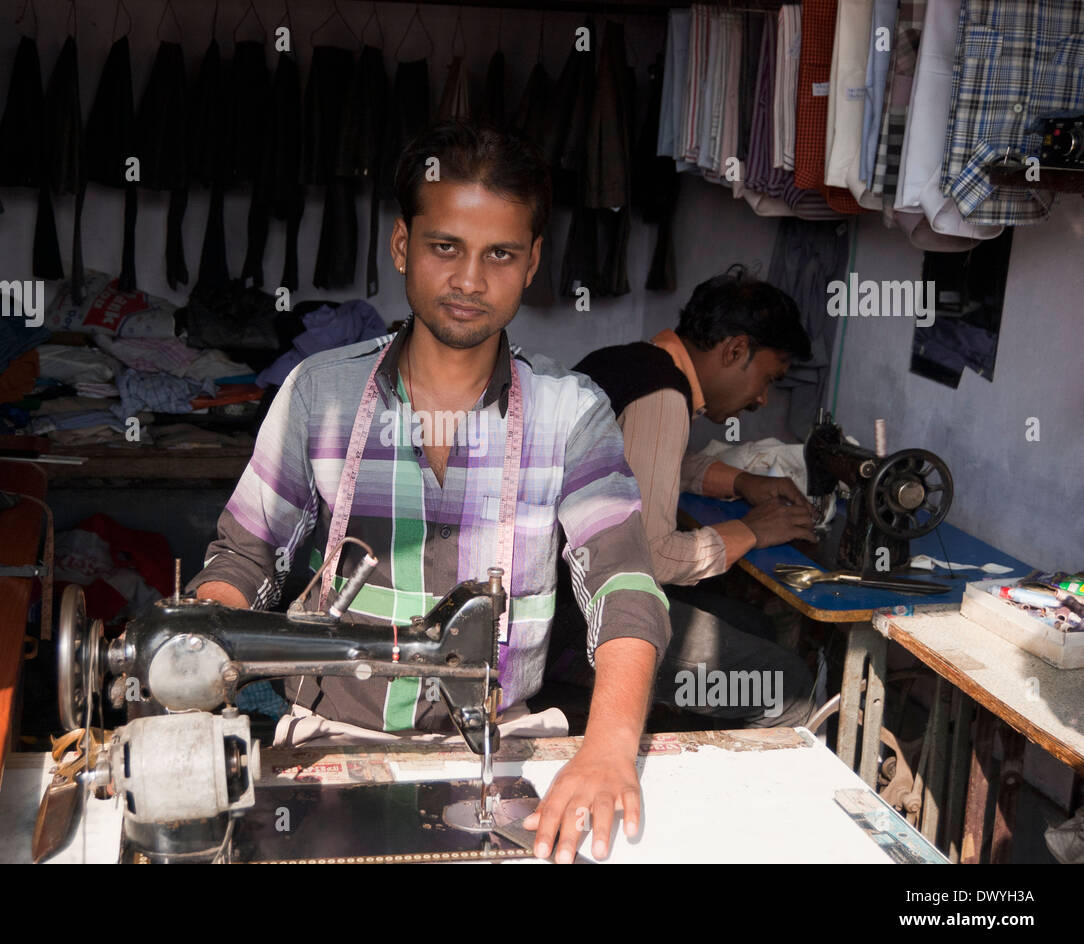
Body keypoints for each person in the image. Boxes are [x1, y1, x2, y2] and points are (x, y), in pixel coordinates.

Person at [190, 121, 672, 865]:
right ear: (402, 246)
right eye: (446, 247)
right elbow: (246, 557)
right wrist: (197, 650)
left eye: (500, 254)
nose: (470, 281)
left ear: (533, 262)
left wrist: (609, 748)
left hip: (498, 747)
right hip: (330, 746)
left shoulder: (569, 414)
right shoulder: (321, 393)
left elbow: (625, 583)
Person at [568, 267, 819, 728]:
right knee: (788, 686)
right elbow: (654, 558)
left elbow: (653, 464)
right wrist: (753, 530)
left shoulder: (625, 361)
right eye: (768, 379)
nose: (762, 400)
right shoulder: (662, 395)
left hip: (566, 590)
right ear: (736, 349)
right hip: (584, 616)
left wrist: (743, 483)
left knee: (755, 627)